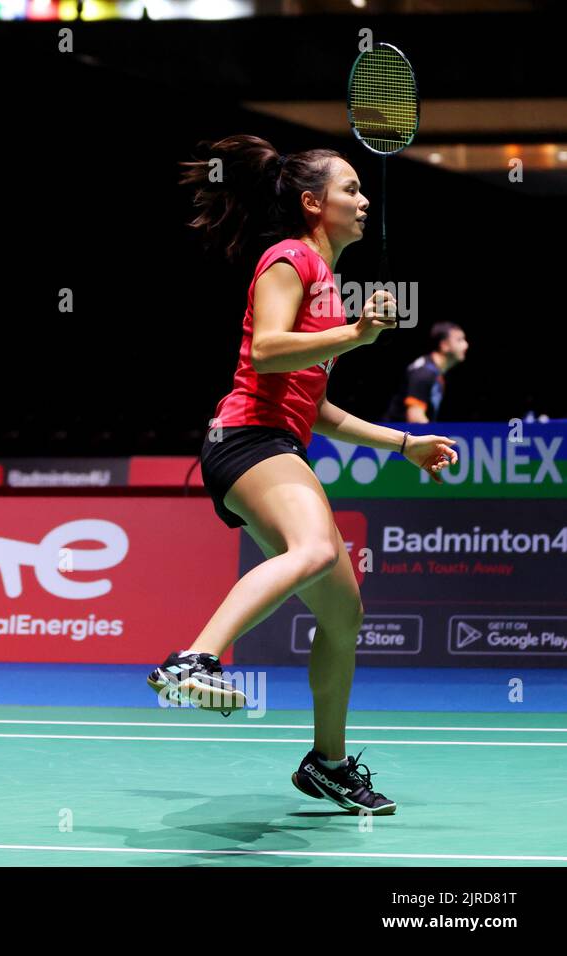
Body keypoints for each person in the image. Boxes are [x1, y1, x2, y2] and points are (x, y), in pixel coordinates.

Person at [148, 135, 459, 815]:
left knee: (344, 616)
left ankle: (328, 762)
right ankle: (193, 660)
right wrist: (353, 334)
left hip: (278, 437)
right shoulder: (287, 259)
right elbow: (264, 352)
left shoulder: (326, 280)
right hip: (246, 439)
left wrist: (402, 443)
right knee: (314, 549)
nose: (364, 198)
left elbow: (313, 407)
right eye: (351, 188)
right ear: (313, 202)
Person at [382, 321, 468, 423]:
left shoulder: (435, 371)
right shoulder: (424, 373)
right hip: (397, 434)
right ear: (444, 345)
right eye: (459, 340)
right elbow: (415, 417)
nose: (466, 345)